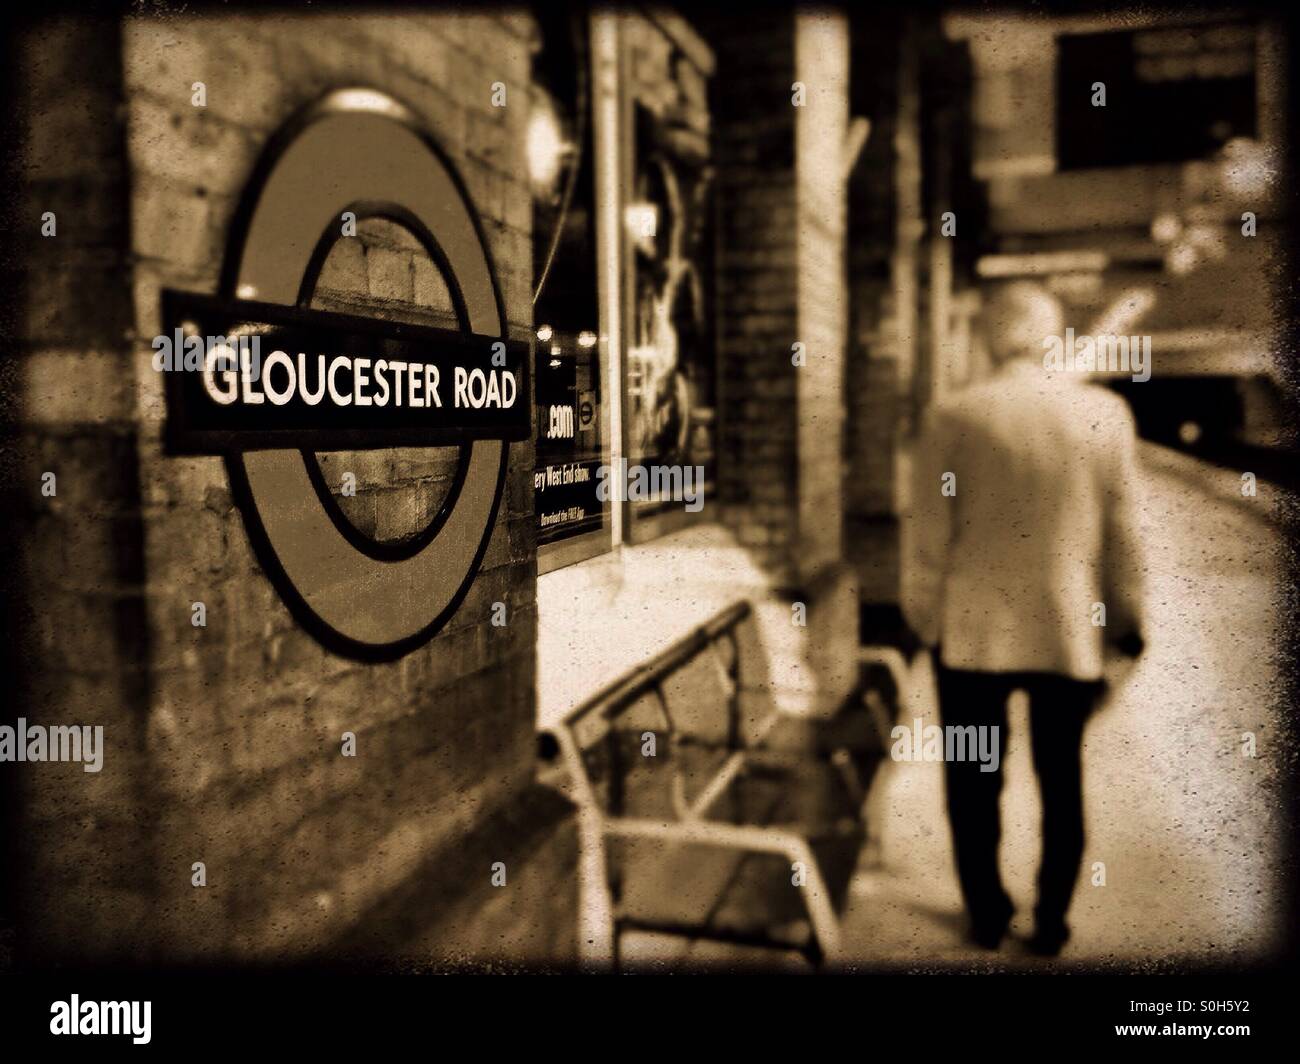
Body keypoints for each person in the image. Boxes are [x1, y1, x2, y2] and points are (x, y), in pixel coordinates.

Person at [901, 280, 1146, 956]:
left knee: (974, 782)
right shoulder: (1104, 416)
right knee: (1062, 782)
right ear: (1051, 336)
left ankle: (986, 913)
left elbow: (926, 538)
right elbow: (1124, 538)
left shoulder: (955, 416)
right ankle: (1052, 921)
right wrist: (1127, 628)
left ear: (984, 336)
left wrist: (927, 625)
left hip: (972, 634)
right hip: (1067, 633)